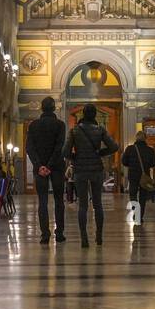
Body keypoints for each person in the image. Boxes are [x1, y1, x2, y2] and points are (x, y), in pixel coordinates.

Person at [64, 104, 119, 248]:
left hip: (80, 170)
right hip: (96, 169)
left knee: (82, 205)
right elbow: (114, 146)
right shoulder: (100, 130)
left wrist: (75, 157)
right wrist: (101, 153)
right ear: (94, 115)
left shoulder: (75, 130)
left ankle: (84, 238)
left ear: (83, 114)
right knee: (98, 204)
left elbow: (65, 151)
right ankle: (99, 236)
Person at [26, 97, 68, 244]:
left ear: (41, 108)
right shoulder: (60, 125)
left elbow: (29, 148)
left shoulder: (33, 126)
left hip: (40, 169)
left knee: (42, 201)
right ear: (54, 108)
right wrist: (49, 165)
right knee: (59, 201)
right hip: (56, 167)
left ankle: (44, 234)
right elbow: (59, 147)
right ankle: (60, 233)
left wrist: (39, 166)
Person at [121, 130, 155, 226]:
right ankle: (139, 217)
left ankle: (136, 213)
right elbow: (153, 163)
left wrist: (132, 164)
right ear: (145, 138)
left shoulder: (130, 149)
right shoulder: (150, 150)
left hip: (133, 175)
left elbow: (124, 162)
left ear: (136, 138)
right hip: (144, 176)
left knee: (133, 195)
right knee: (143, 196)